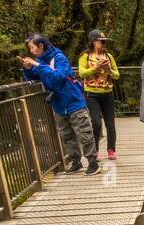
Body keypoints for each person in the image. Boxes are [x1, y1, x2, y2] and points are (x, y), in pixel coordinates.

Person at [20, 32, 98, 176]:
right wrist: (28, 68)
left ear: (41, 45)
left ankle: (93, 162)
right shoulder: (40, 61)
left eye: (32, 48)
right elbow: (33, 77)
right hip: (58, 104)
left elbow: (59, 77)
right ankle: (75, 161)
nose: (31, 51)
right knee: (67, 134)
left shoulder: (59, 57)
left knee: (84, 132)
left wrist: (37, 64)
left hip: (73, 100)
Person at [78, 29, 120, 160]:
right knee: (96, 123)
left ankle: (111, 149)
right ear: (93, 42)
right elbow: (82, 73)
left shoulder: (109, 56)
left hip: (107, 93)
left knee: (110, 124)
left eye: (104, 41)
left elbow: (117, 75)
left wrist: (109, 70)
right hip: (92, 94)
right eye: (100, 41)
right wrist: (96, 68)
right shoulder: (85, 56)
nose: (103, 43)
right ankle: (95, 150)